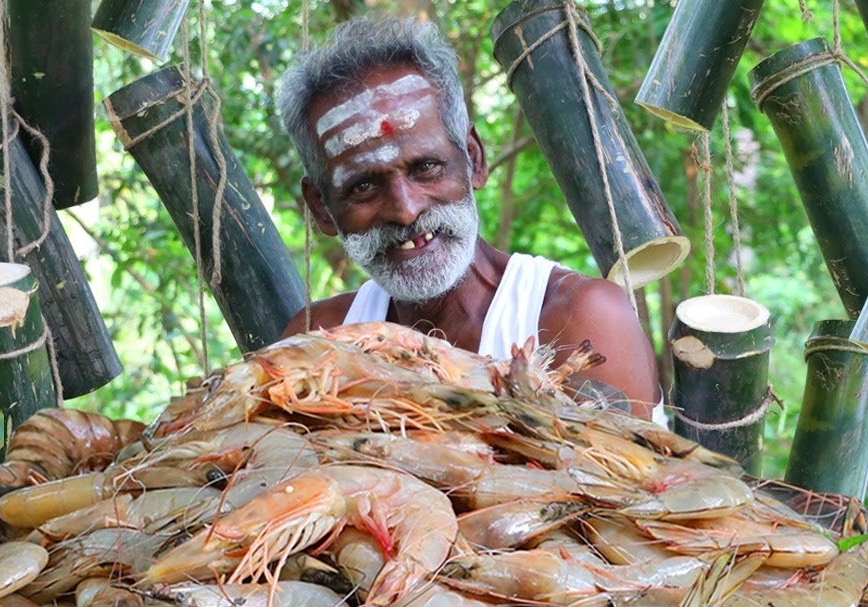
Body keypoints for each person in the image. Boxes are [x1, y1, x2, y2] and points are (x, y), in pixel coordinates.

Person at [275, 15, 662, 420]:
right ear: (321, 207)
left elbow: (638, 478)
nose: (406, 210)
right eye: (364, 187)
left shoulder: (577, 318)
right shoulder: (318, 341)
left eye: (426, 167)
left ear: (473, 159)